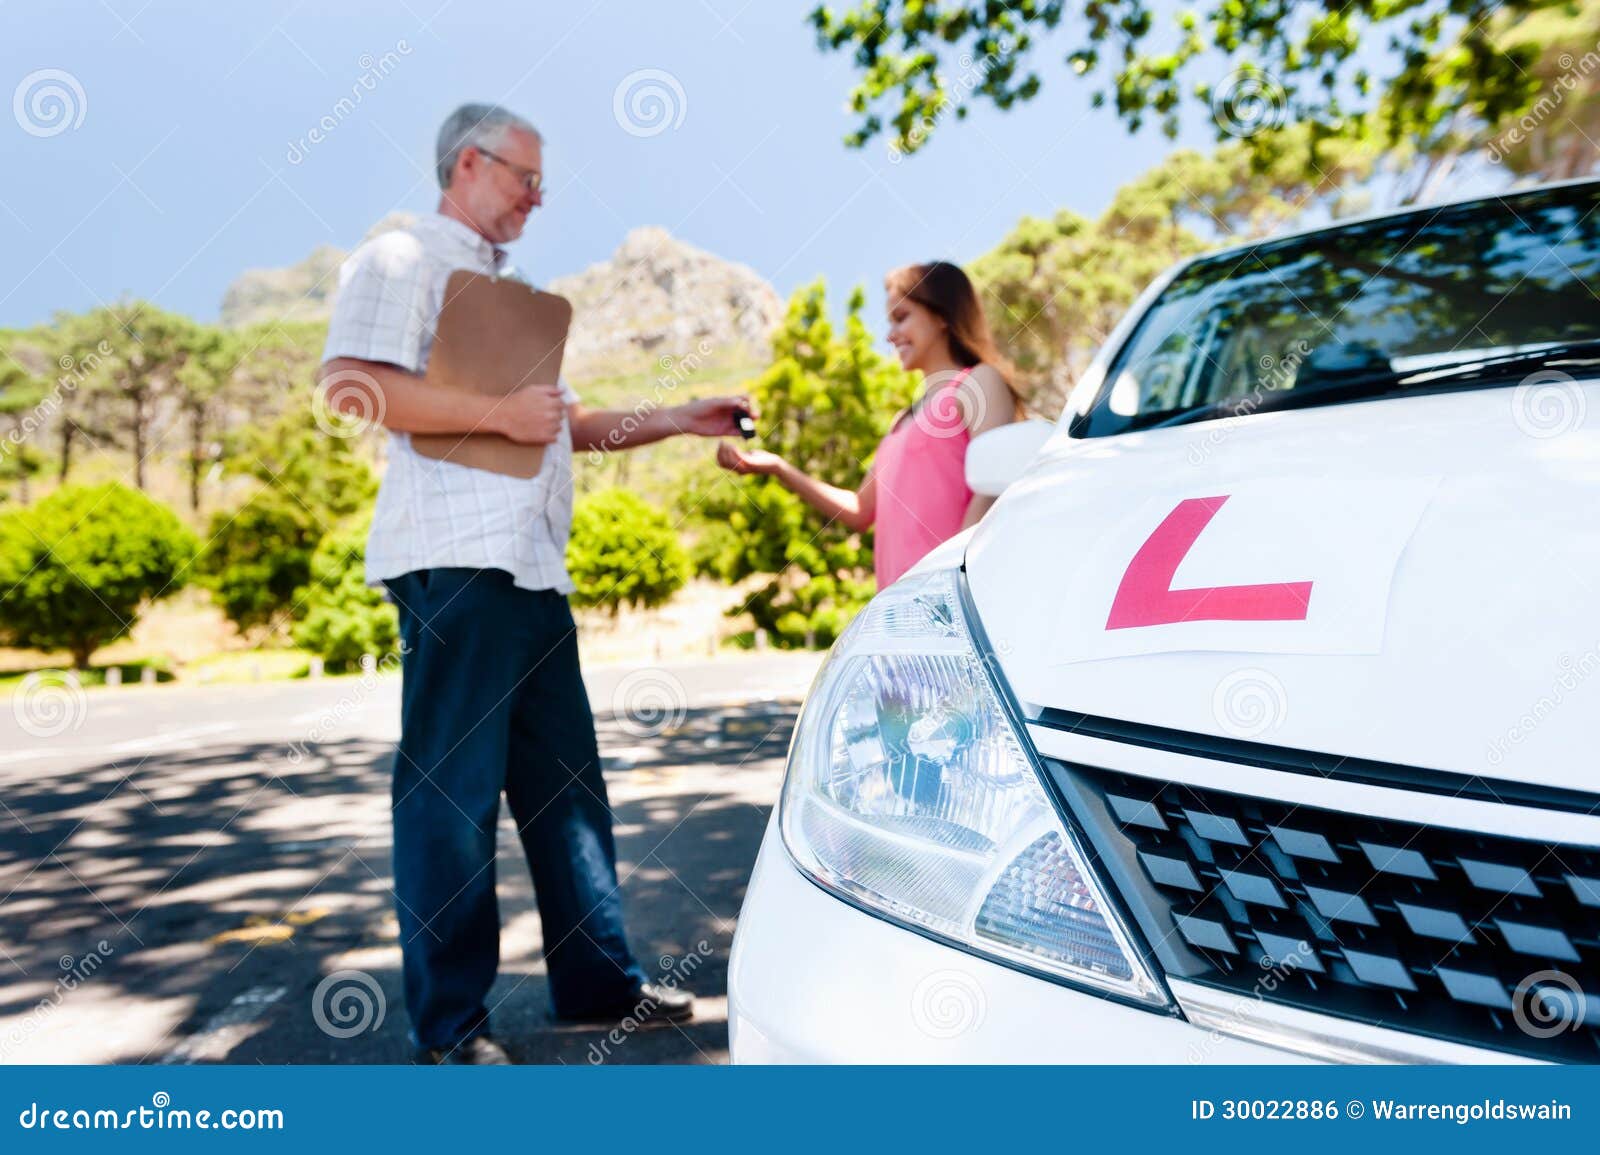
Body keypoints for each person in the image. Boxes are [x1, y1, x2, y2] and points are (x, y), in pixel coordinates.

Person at [318, 103, 752, 1065]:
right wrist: (496, 414)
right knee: (452, 796)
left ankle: (598, 983)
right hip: (455, 561)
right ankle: (451, 1027)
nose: (538, 196)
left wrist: (680, 416)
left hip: (530, 571)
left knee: (567, 790)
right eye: (526, 176)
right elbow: (350, 379)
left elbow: (559, 423)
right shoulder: (399, 258)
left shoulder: (506, 289)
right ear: (469, 162)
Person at [717, 261, 1021, 588]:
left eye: (902, 318)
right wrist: (779, 467)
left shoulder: (977, 382)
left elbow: (993, 485)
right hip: (897, 610)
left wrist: (952, 579)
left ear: (942, 315)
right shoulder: (901, 421)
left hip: (952, 601)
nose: (890, 335)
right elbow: (861, 509)